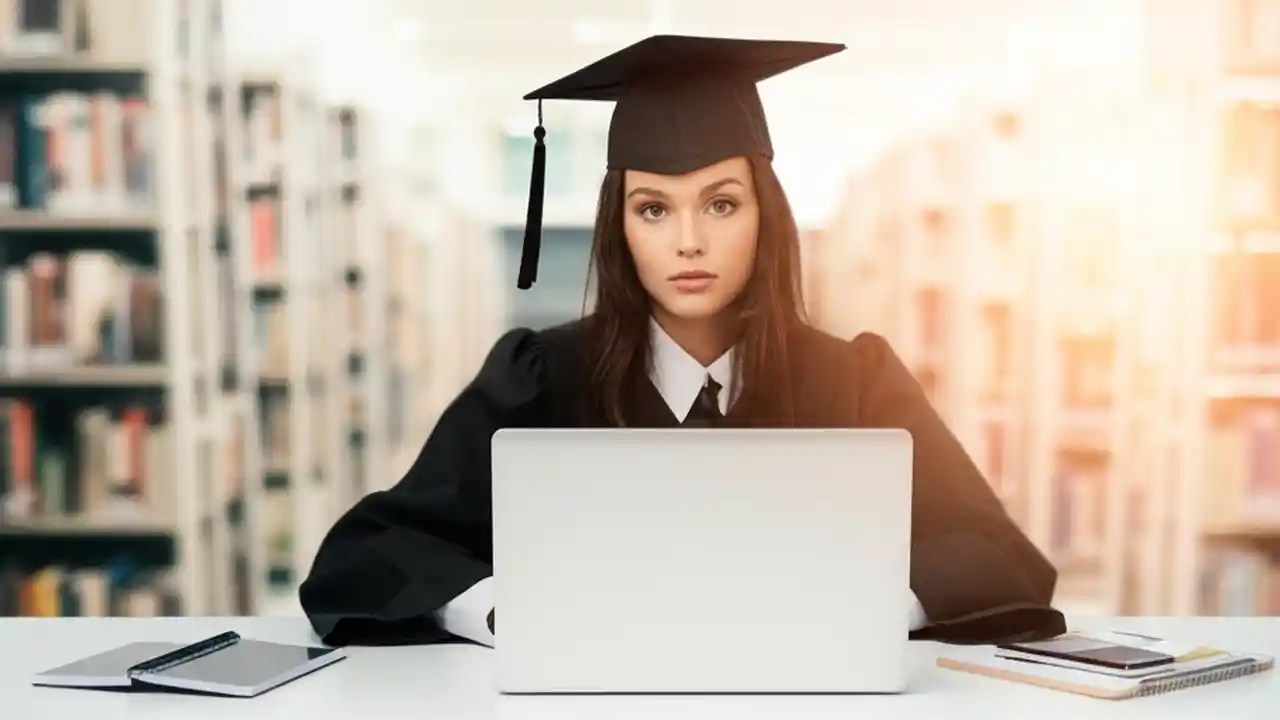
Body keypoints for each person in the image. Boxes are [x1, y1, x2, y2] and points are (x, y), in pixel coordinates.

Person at [299, 35, 1065, 648]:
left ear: (766, 216)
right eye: (654, 209)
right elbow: (369, 554)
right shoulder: (541, 379)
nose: (689, 242)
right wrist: (507, 612)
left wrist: (864, 613)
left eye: (722, 204)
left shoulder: (854, 381)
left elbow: (1000, 556)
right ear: (619, 227)